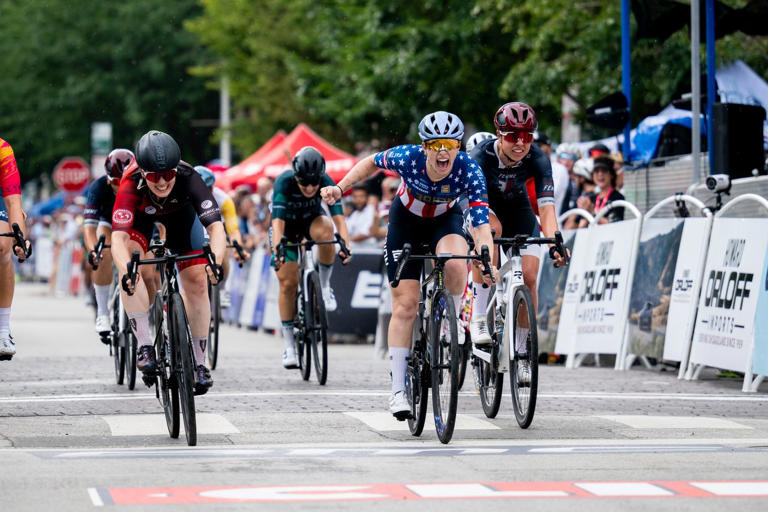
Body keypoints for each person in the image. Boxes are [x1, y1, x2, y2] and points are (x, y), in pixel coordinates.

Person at [320, 111, 496, 419]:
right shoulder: (408, 157)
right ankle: (398, 389)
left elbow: (481, 223)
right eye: (435, 144)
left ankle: (450, 320)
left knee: (456, 262)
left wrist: (486, 257)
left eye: (450, 144)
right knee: (405, 306)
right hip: (406, 223)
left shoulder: (470, 170)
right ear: (425, 147)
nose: (443, 151)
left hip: (445, 221)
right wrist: (341, 187)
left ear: (458, 146)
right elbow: (371, 163)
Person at [111, 130, 227, 395]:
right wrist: (125, 270)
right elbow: (117, 239)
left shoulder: (189, 177)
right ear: (142, 172)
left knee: (198, 281)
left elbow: (217, 228)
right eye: (153, 176)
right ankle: (143, 344)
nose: (162, 182)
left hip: (182, 219)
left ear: (177, 170)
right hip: (140, 220)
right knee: (131, 264)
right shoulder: (131, 181)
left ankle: (199, 363)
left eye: (168, 175)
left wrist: (216, 262)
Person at [467, 102, 567, 363]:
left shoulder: (538, 158)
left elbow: (546, 210)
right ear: (499, 135)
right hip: (484, 209)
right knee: (490, 236)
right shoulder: (480, 157)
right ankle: (479, 317)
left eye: (526, 136)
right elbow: (476, 210)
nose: (520, 143)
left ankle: (522, 352)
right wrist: (483, 242)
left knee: (530, 277)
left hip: (519, 211)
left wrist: (555, 243)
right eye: (513, 136)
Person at [270, 146, 352, 369]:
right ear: (295, 177)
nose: (309, 187)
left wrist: (345, 244)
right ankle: (289, 346)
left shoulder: (326, 180)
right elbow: (277, 223)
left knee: (327, 231)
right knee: (287, 283)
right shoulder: (283, 182)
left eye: (313, 184)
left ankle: (324, 287)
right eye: (304, 183)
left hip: (312, 222)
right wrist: (277, 249)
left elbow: (339, 221)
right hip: (286, 229)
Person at [84, 149, 134, 340]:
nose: (120, 186)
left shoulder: (140, 184)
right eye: (115, 182)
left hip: (134, 223)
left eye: (125, 181)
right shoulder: (97, 187)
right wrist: (93, 250)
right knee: (102, 253)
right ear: (107, 179)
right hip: (109, 222)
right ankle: (103, 313)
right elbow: (89, 229)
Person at [194, 165, 251, 307]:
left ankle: (223, 287)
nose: (207, 193)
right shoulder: (187, 198)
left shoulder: (224, 200)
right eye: (203, 190)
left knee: (223, 248)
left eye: (210, 189)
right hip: (196, 230)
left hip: (216, 230)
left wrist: (238, 247)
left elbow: (233, 229)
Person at [0, 137, 31, 360]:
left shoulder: (2, 149)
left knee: (2, 246)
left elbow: (13, 202)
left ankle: (3, 330)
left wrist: (21, 239)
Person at [578, 155, 625, 226]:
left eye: (604, 171)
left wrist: (592, 212)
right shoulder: (590, 198)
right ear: (592, 175)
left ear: (611, 175)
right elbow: (581, 227)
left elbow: (613, 225)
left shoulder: (617, 197)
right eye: (596, 171)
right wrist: (584, 211)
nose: (600, 174)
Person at [346, 183, 376, 247]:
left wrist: (347, 241)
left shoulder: (371, 210)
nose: (358, 200)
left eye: (361, 196)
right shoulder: (354, 213)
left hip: (369, 248)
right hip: (356, 248)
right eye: (355, 197)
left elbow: (365, 234)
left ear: (367, 197)